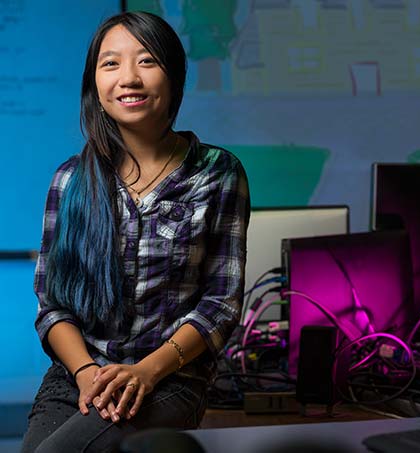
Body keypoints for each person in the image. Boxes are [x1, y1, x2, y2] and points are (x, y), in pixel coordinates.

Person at [21, 11, 250, 453]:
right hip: (78, 374)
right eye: (110, 64)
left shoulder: (218, 173)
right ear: (95, 85)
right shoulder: (70, 181)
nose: (128, 78)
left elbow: (221, 304)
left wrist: (146, 371)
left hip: (168, 378)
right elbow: (52, 305)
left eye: (146, 61)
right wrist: (87, 372)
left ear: (174, 77)